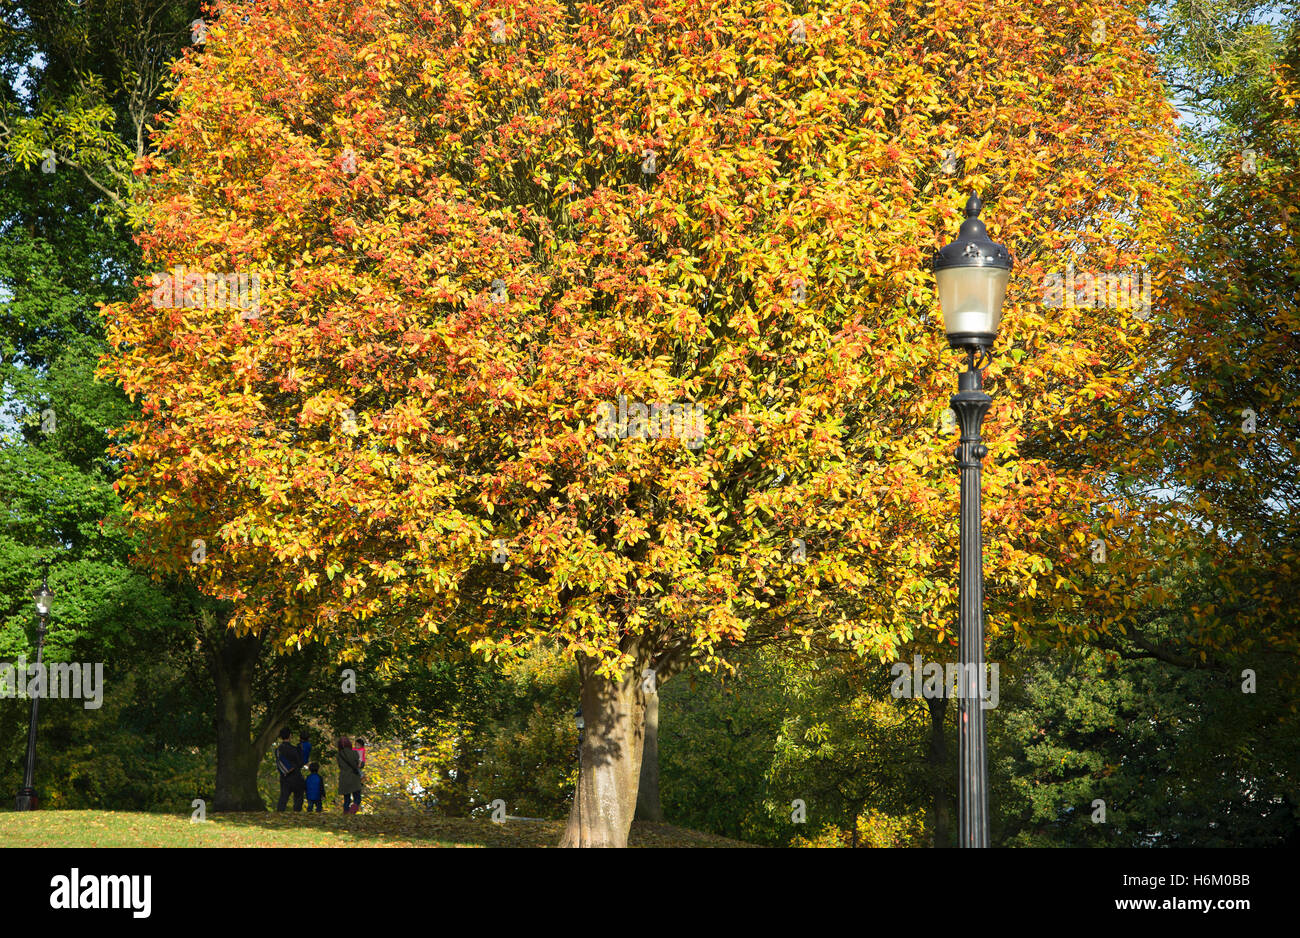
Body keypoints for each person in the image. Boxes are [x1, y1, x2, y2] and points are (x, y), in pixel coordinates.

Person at [275, 728, 306, 812]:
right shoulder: (295, 749)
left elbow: (279, 762)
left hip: (285, 777)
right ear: (290, 736)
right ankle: (296, 813)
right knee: (298, 797)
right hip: (296, 775)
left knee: (283, 797)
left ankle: (280, 813)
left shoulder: (279, 749)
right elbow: (300, 762)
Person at [336, 736, 362, 814]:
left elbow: (340, 766)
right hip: (354, 776)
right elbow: (358, 764)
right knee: (357, 797)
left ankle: (346, 812)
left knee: (346, 798)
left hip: (344, 777)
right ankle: (353, 809)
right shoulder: (354, 752)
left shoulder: (339, 755)